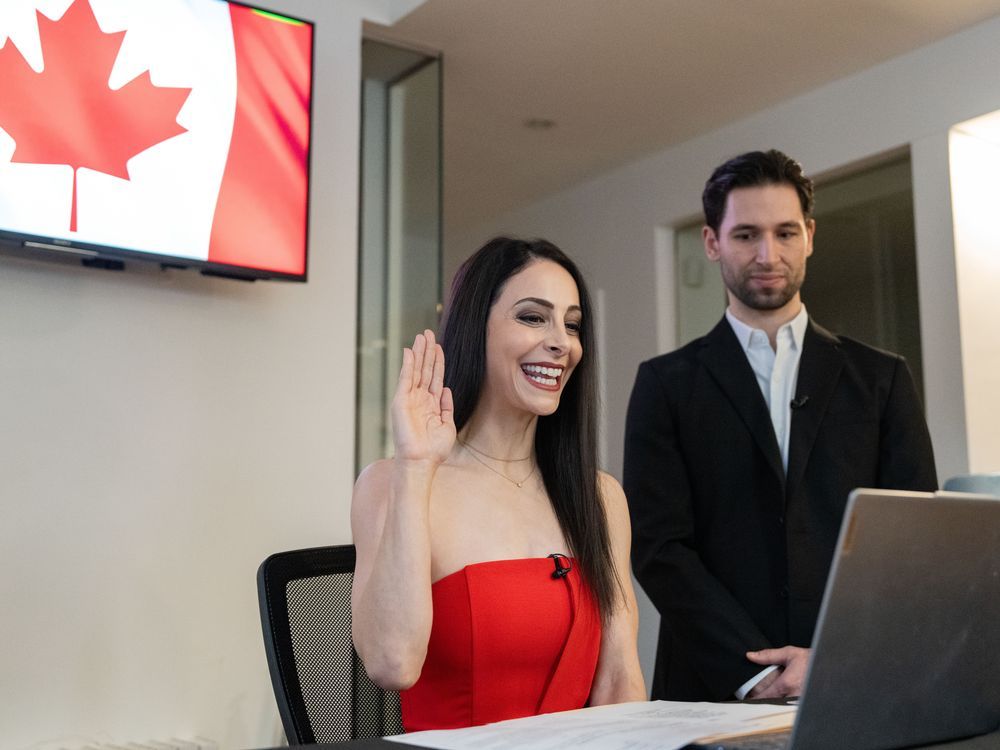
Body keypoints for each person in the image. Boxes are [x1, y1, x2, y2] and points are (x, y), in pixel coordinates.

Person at [623, 149, 937, 702]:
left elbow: (909, 542)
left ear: (810, 236)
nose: (768, 254)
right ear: (712, 242)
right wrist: (756, 673)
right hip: (710, 690)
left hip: (851, 683)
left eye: (785, 232)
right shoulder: (664, 384)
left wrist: (830, 658)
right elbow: (658, 546)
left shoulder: (883, 378)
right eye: (745, 235)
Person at [352, 237, 646, 731]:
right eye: (533, 317)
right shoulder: (393, 481)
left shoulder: (600, 497)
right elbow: (391, 663)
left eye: (572, 326)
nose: (561, 342)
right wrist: (416, 465)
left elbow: (619, 682)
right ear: (476, 328)